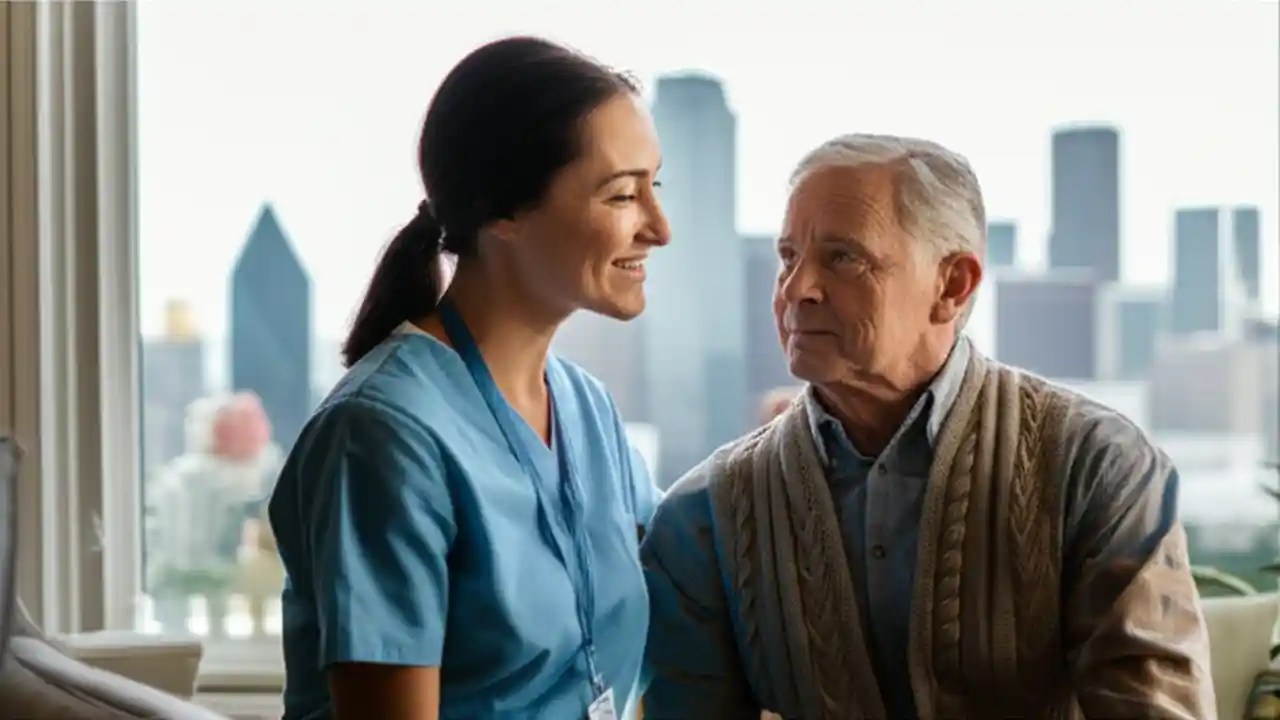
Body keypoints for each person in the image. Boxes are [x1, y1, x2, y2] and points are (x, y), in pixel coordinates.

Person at [640, 134, 1214, 719]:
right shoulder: (702, 516)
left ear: (953, 285)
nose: (796, 289)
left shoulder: (1097, 467)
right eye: (789, 257)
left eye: (843, 257)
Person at [268, 36, 670, 720]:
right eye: (622, 195)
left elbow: (698, 564)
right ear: (504, 212)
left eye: (653, 188)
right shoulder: (385, 433)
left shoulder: (586, 409)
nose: (658, 227)